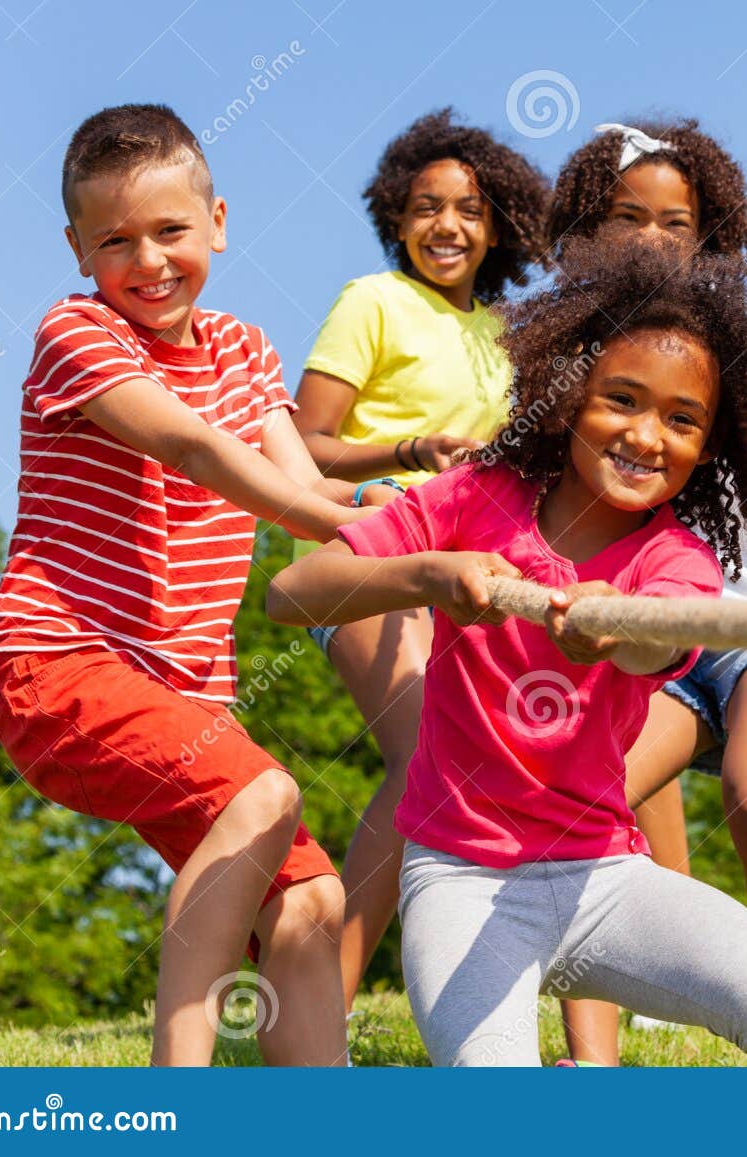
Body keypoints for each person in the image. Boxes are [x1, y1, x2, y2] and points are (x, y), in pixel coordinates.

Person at [267, 239, 747, 1066]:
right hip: (459, 879)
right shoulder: (475, 497)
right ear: (572, 393)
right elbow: (292, 593)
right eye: (622, 399)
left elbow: (660, 644)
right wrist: (427, 573)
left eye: (682, 419)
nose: (646, 435)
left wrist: (618, 628)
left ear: (710, 446)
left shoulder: (679, 559)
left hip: (604, 878)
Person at [0, 104, 373, 1066]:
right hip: (61, 666)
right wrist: (340, 519)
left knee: (311, 900)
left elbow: (308, 493)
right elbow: (192, 446)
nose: (148, 261)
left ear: (218, 223)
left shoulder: (245, 352)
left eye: (171, 230)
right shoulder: (75, 332)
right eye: (115, 240)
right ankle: (174, 1098)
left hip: (186, 699)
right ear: (77, 249)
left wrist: (424, 509)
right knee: (266, 792)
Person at [549, 120, 747, 1064]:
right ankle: (593, 1062)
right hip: (657, 636)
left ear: (707, 242)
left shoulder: (733, 339)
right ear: (586, 232)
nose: (650, 238)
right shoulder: (562, 353)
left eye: (675, 224)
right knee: (578, 807)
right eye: (625, 216)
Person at [290, 109, 549, 1008]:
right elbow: (303, 445)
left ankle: (484, 989)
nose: (448, 225)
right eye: (427, 206)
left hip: (464, 573)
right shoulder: (372, 300)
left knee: (479, 775)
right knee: (421, 755)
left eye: (471, 210)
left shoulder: (507, 333)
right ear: (396, 218)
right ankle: (322, 1007)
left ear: (498, 228)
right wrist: (407, 452)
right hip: (366, 542)